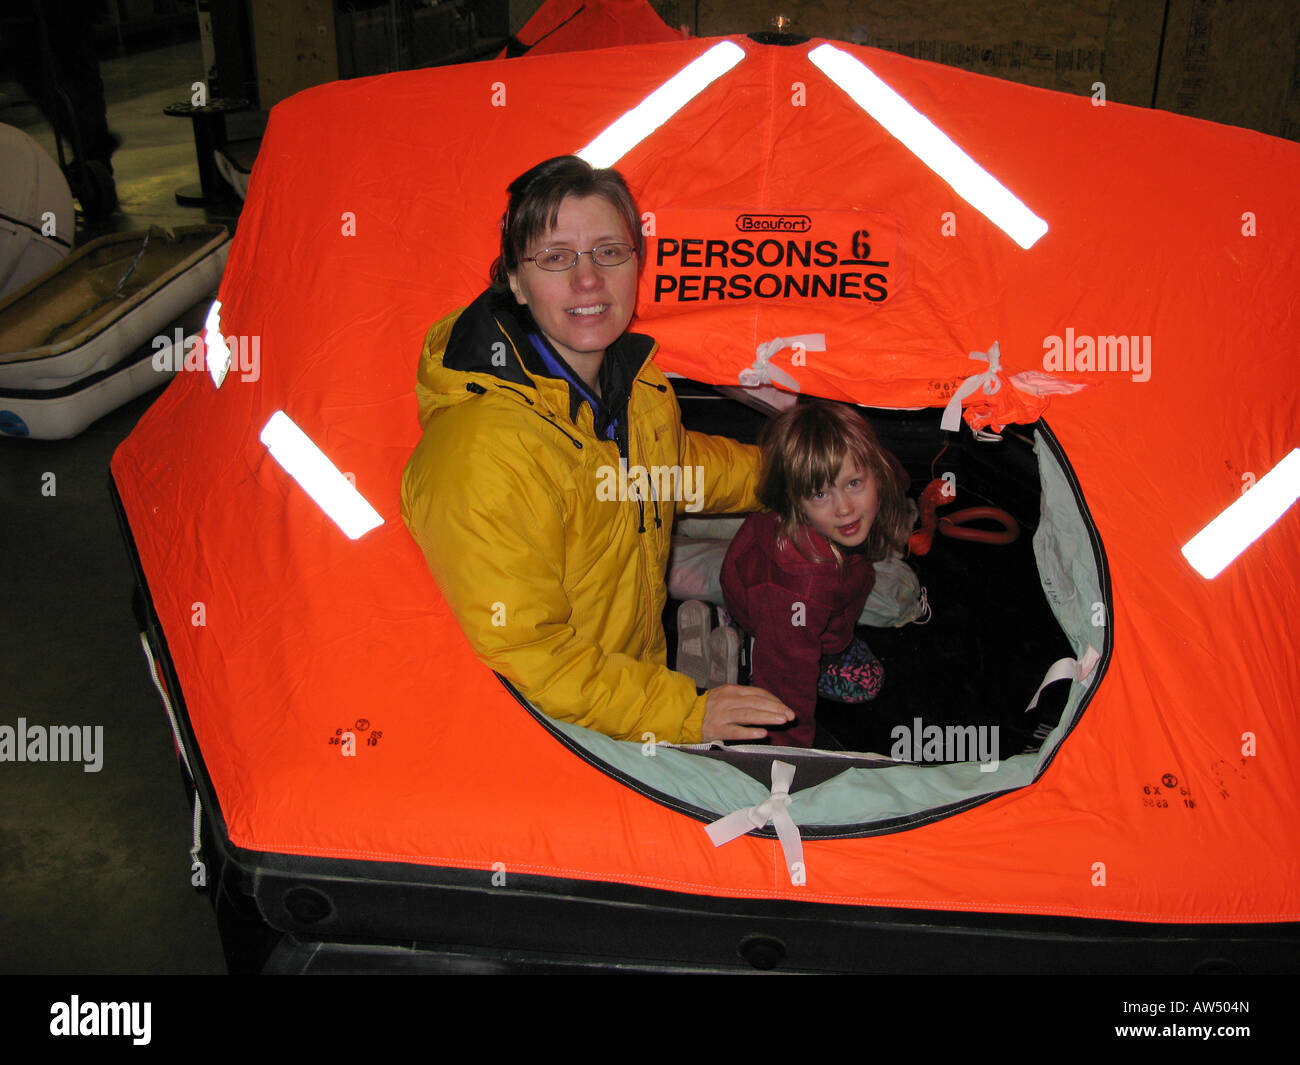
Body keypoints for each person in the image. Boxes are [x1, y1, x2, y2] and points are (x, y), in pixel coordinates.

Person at [401, 155, 794, 745]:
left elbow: (674, 469)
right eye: (556, 258)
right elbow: (529, 652)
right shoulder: (483, 454)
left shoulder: (631, 386)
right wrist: (683, 714)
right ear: (513, 278)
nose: (588, 281)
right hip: (558, 738)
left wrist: (791, 475)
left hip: (626, 693)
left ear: (637, 262)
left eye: (609, 252)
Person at [720, 401, 911, 747]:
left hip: (758, 567)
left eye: (854, 483)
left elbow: (891, 475)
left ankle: (749, 629)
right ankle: (745, 640)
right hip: (774, 607)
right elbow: (787, 677)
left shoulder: (838, 522)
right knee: (866, 680)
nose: (844, 508)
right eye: (820, 493)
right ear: (797, 504)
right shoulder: (803, 591)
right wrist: (794, 754)